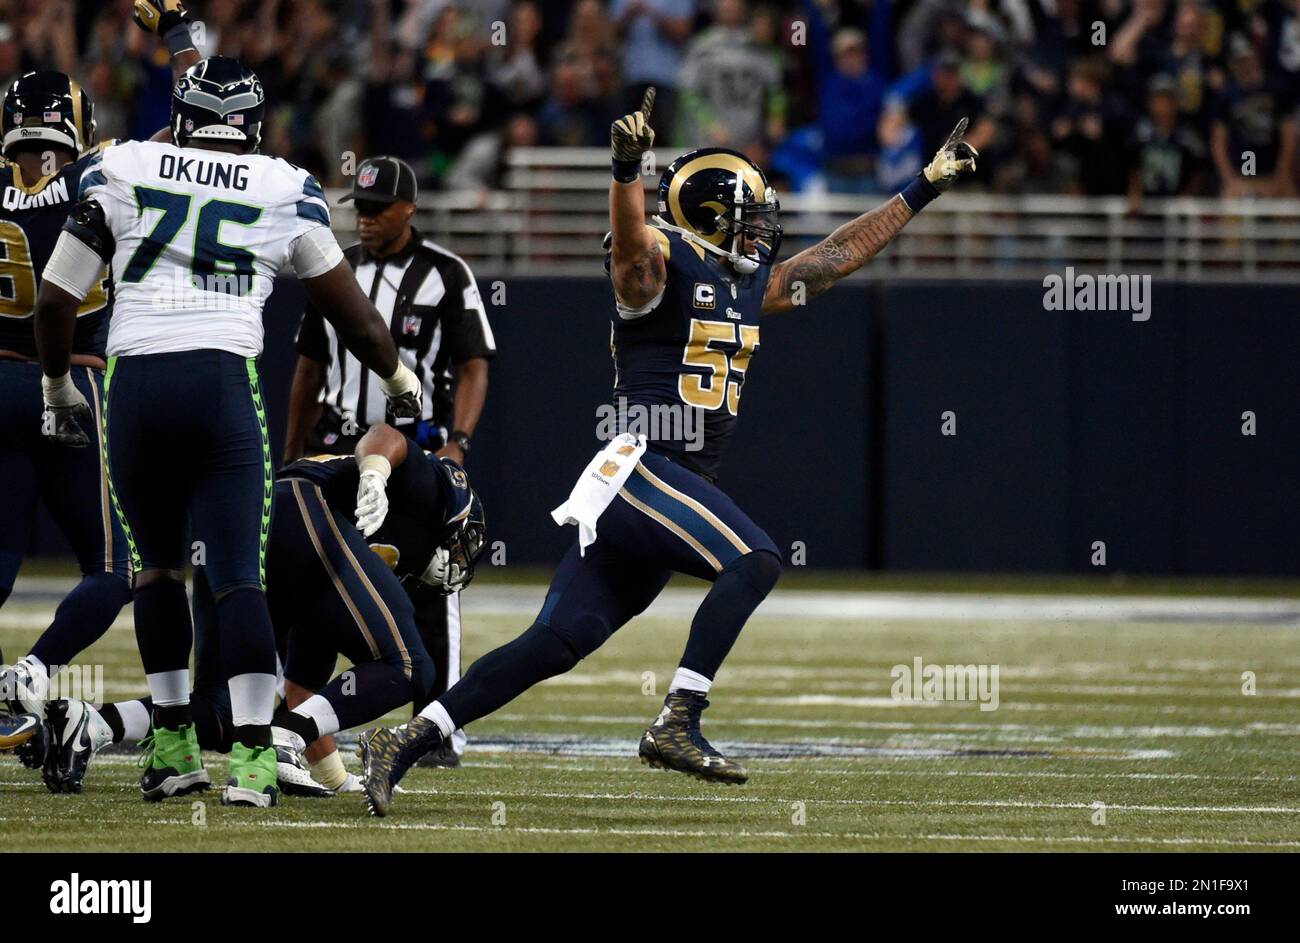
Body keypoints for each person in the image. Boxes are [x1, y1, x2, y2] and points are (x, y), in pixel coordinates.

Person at [359, 87, 978, 816]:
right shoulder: (660, 265)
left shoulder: (747, 285)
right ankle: (678, 716)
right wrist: (626, 169)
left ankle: (403, 739)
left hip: (666, 485)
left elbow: (838, 254)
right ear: (711, 218)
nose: (762, 232)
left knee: (557, 640)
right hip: (642, 469)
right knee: (756, 559)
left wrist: (925, 185)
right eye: (748, 219)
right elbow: (628, 250)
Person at [31, 55, 423, 808]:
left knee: (157, 569)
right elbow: (354, 315)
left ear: (179, 115)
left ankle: (174, 747)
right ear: (252, 122)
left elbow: (56, 299)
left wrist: (55, 386)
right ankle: (250, 758)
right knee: (239, 573)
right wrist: (401, 383)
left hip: (133, 383)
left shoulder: (127, 164)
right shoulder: (281, 185)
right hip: (219, 381)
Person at [43, 423, 485, 797]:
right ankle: (272, 740)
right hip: (300, 508)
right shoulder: (437, 493)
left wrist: (336, 780)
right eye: (464, 546)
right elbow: (387, 434)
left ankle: (96, 723)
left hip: (247, 527)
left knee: (224, 714)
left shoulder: (342, 571)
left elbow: (302, 693)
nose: (457, 561)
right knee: (409, 665)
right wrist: (374, 472)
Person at [0, 0, 201, 767]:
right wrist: (179, 35)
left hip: (0, 384)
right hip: (77, 384)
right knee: (117, 567)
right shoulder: (103, 168)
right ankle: (34, 672)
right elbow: (197, 131)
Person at [284, 154, 495, 767]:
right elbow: (309, 367)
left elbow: (475, 361)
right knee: (317, 576)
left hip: (413, 448)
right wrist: (294, 449)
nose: (367, 220)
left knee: (434, 579)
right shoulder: (335, 269)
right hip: (335, 444)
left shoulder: (446, 274)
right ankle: (295, 714)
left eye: (378, 210)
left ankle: (436, 726)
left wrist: (459, 439)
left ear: (410, 208)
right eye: (361, 209)